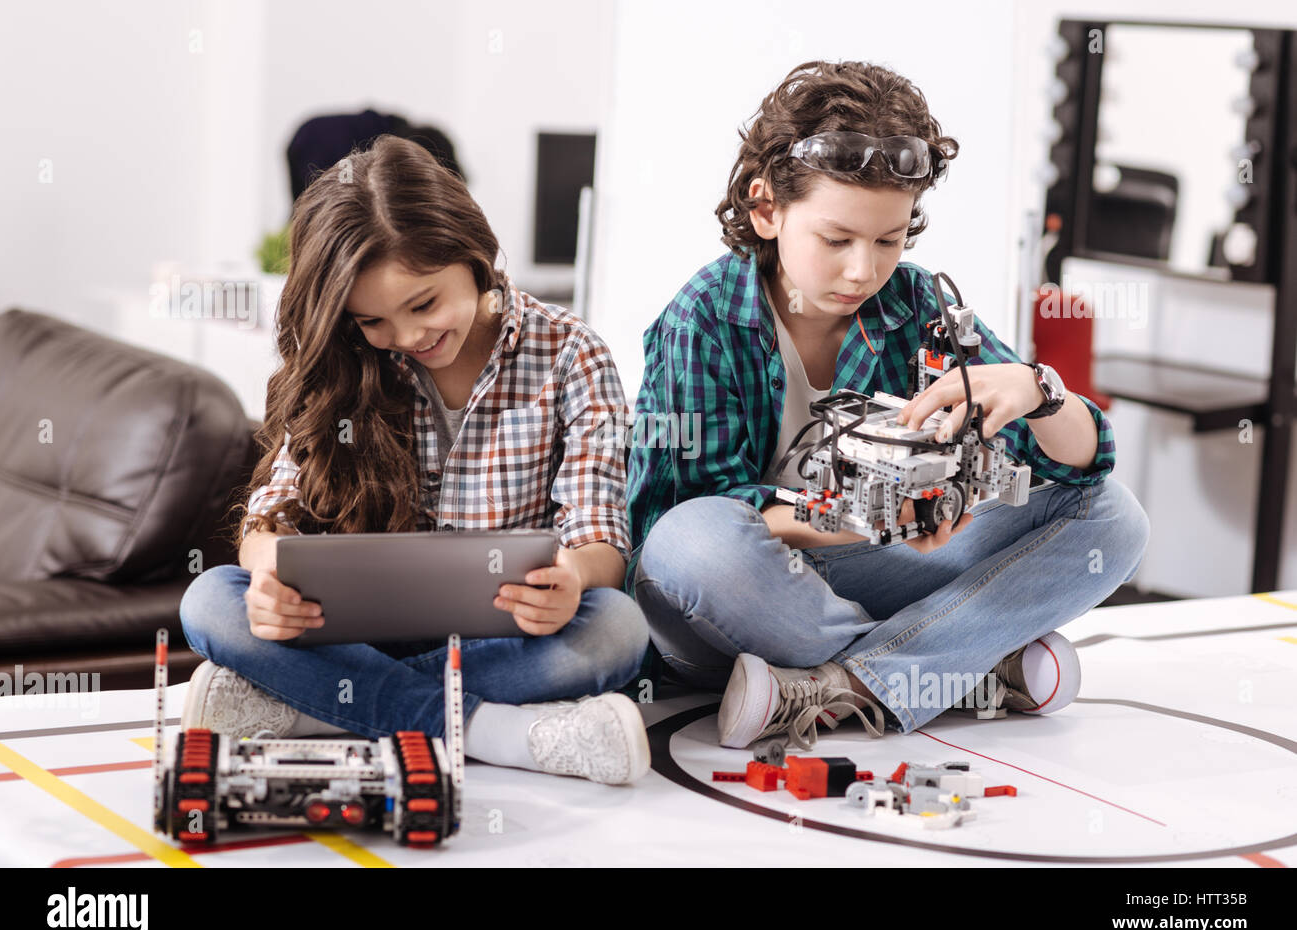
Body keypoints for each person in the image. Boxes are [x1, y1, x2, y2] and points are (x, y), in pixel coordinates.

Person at [627, 60, 1150, 752]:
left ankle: (849, 684)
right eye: (836, 239)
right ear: (766, 208)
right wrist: (862, 520)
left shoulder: (917, 306)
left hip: (870, 572)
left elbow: (1085, 463)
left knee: (1114, 516)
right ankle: (960, 664)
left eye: (889, 239)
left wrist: (1037, 388)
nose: (862, 270)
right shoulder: (704, 318)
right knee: (695, 546)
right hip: (750, 590)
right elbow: (671, 522)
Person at [179, 135, 650, 786]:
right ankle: (494, 731)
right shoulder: (346, 360)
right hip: (356, 637)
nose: (407, 338)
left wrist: (570, 575)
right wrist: (266, 576)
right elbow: (266, 523)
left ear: (471, 250)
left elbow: (601, 542)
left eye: (424, 303)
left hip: (499, 640)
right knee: (211, 600)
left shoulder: (573, 355)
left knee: (616, 627)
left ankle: (317, 708)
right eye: (374, 320)